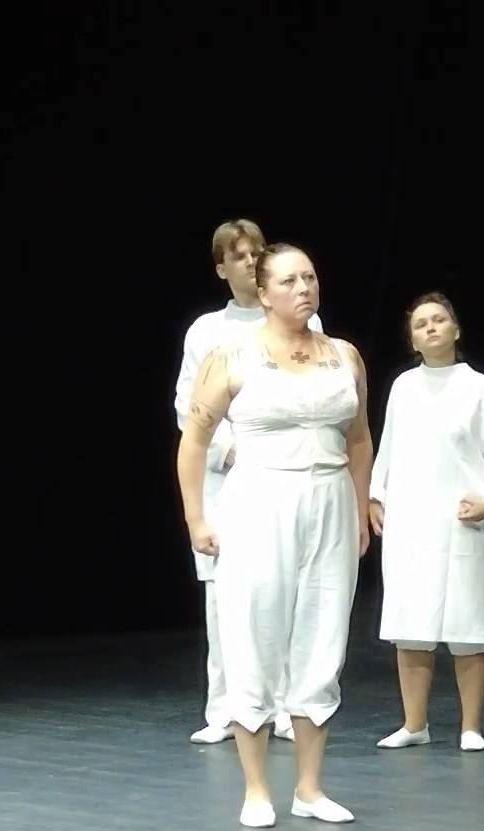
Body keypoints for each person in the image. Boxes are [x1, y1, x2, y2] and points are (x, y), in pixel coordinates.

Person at [176, 243, 373, 828]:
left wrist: (360, 506)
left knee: (323, 636)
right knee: (254, 634)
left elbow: (359, 438)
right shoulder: (231, 356)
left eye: (309, 277)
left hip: (329, 501)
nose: (303, 288)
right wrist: (196, 518)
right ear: (262, 293)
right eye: (288, 280)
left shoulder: (344, 356)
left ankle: (309, 788)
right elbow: (193, 441)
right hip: (259, 501)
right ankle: (257, 789)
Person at [173, 218, 322, 745]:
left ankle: (283, 706)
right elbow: (188, 407)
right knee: (227, 599)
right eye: (239, 255)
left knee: (286, 592)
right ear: (222, 268)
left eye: (258, 252)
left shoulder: (303, 321)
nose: (251, 261)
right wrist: (230, 449)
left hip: (288, 475)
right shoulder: (206, 332)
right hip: (229, 478)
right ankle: (226, 709)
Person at [369, 293, 484, 752]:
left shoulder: (481, 389)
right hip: (412, 520)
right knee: (412, 623)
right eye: (421, 324)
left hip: (464, 521)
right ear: (412, 339)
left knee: (467, 624)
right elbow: (390, 447)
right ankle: (414, 723)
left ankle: (470, 726)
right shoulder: (403, 388)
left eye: (439, 320)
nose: (431, 328)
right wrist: (377, 494)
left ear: (456, 329)